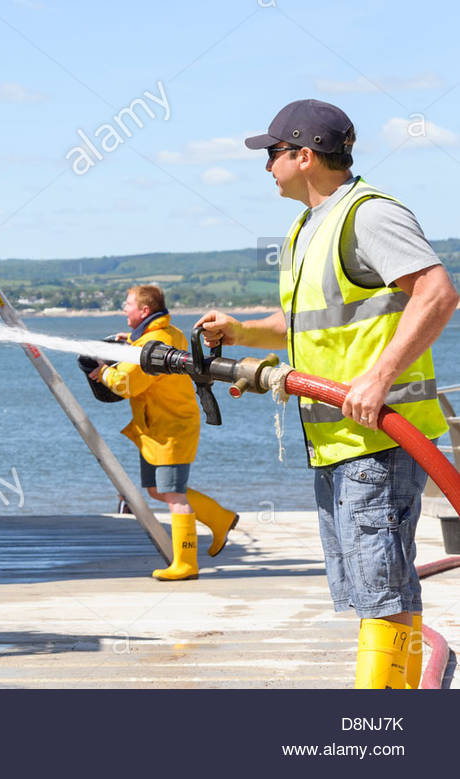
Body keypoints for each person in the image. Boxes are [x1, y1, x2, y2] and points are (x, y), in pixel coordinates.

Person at [197, 99, 456, 689]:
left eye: (272, 153)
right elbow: (309, 322)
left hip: (377, 439)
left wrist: (379, 377)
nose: (266, 166)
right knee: (370, 585)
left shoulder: (368, 215)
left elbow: (437, 294)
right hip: (338, 441)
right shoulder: (308, 227)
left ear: (304, 156)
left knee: (380, 586)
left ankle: (382, 721)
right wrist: (239, 332)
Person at [89, 284, 238, 580]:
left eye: (127, 304)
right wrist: (129, 341)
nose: (124, 309)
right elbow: (144, 353)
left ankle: (186, 563)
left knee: (174, 495)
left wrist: (103, 371)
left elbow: (127, 384)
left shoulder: (150, 345)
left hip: (171, 430)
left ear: (144, 310)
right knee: (159, 490)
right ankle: (220, 519)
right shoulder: (162, 335)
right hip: (156, 429)